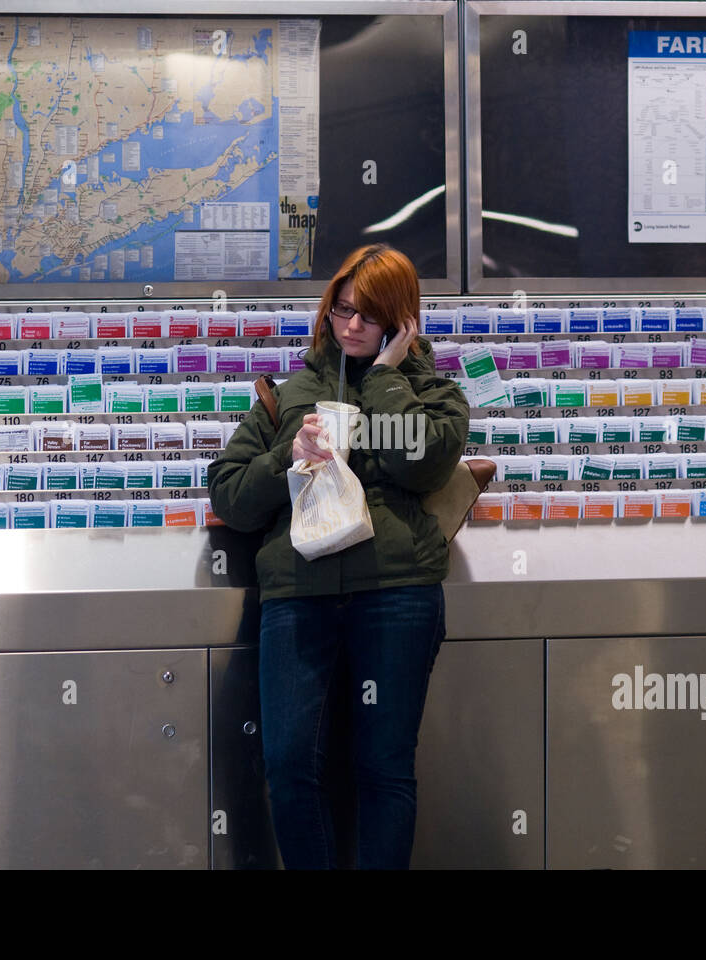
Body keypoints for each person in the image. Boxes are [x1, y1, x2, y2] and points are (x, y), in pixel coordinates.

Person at [206, 244, 470, 869]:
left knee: (384, 770)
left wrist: (383, 376)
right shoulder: (287, 395)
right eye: (342, 311)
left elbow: (422, 461)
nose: (350, 327)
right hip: (299, 596)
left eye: (369, 316)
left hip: (397, 594)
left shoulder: (436, 397)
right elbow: (230, 495)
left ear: (402, 322)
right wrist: (287, 458)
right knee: (290, 765)